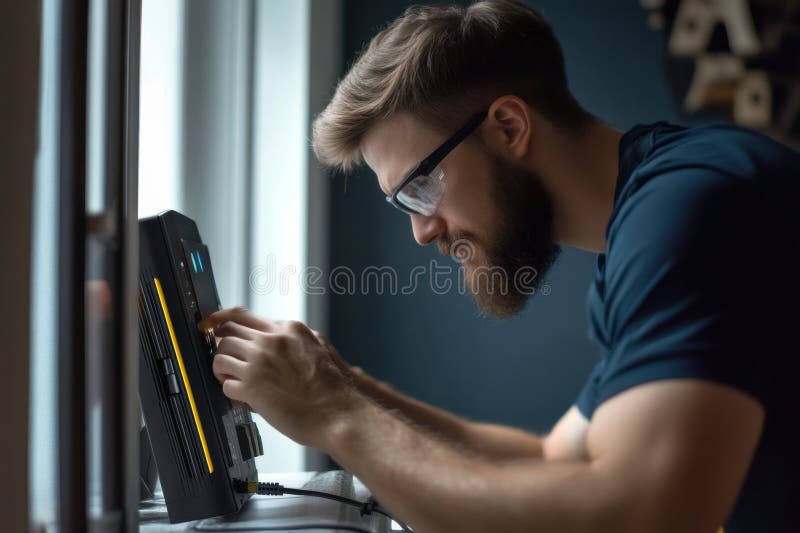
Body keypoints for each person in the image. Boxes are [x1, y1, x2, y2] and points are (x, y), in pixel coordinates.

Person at [202, 1, 800, 531]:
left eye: (420, 188)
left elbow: (638, 514)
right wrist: (343, 384)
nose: (421, 231)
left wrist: (336, 416)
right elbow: (554, 461)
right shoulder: (655, 217)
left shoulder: (694, 209)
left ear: (508, 127)